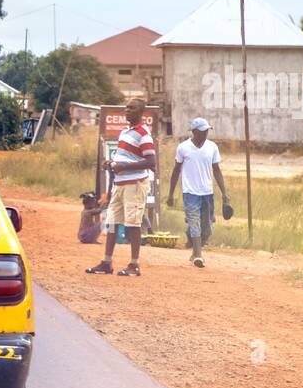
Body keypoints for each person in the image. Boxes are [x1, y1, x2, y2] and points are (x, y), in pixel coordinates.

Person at [87, 99, 156, 277]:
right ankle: (107, 262)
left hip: (135, 184)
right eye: (126, 107)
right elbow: (126, 157)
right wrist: (111, 163)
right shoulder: (125, 131)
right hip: (119, 183)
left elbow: (151, 162)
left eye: (131, 108)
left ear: (140, 112)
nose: (127, 110)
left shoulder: (143, 133)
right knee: (112, 223)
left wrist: (124, 167)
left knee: (133, 224)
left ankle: (134, 265)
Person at [165, 117, 230, 268]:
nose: (205, 134)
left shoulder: (212, 147)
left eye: (207, 131)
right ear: (194, 132)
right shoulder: (183, 148)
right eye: (201, 131)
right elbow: (176, 171)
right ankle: (198, 255)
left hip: (207, 192)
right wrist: (170, 194)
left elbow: (217, 170)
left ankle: (193, 245)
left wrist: (224, 193)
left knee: (206, 226)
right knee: (195, 222)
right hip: (190, 192)